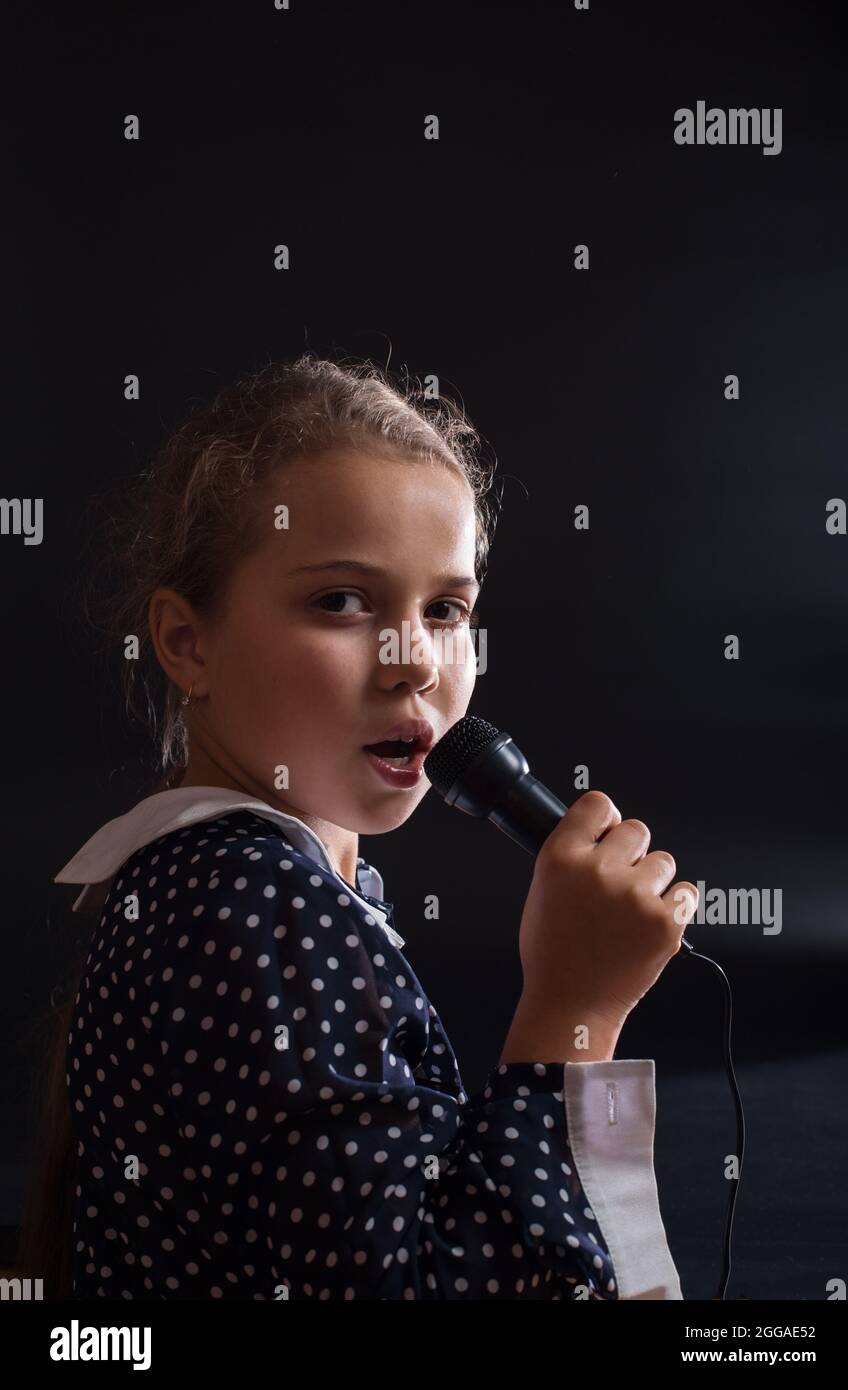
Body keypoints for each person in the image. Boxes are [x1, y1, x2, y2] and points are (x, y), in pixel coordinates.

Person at [19, 352, 697, 1299]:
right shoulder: (248, 905)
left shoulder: (257, 886)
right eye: (341, 601)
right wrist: (575, 1008)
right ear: (186, 642)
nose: (411, 660)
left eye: (447, 609)